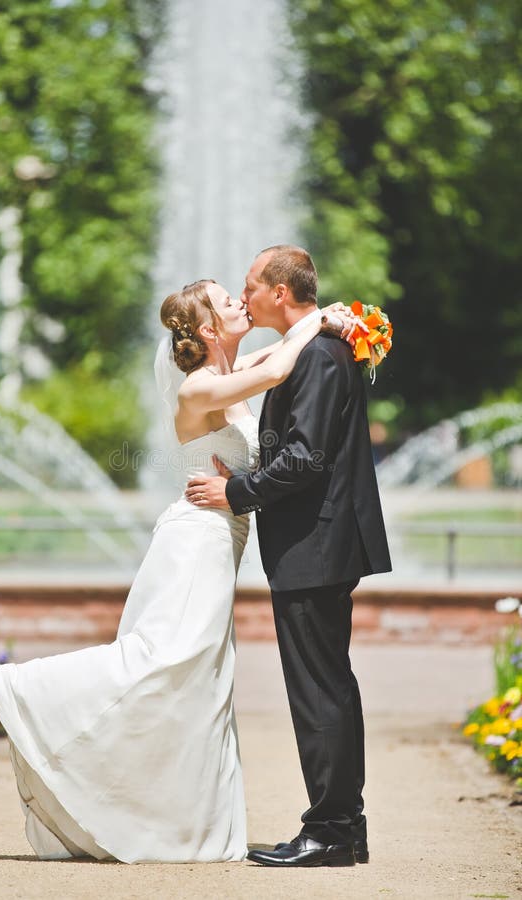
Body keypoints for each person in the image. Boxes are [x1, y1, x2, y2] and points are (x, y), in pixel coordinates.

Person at [0, 277, 357, 864]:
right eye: (228, 300)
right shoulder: (199, 388)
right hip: (195, 543)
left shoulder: (227, 372)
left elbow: (272, 359)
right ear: (206, 328)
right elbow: (280, 369)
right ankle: (13, 690)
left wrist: (323, 321)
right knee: (160, 659)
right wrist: (322, 317)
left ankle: (183, 827)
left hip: (219, 540)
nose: (238, 304)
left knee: (198, 677)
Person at [186, 245, 392, 868]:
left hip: (318, 544)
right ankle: (342, 826)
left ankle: (329, 830)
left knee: (319, 690)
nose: (244, 298)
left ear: (280, 292)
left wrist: (234, 493)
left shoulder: (322, 355)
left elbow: (305, 458)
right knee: (327, 684)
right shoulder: (313, 346)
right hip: (317, 543)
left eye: (250, 287)